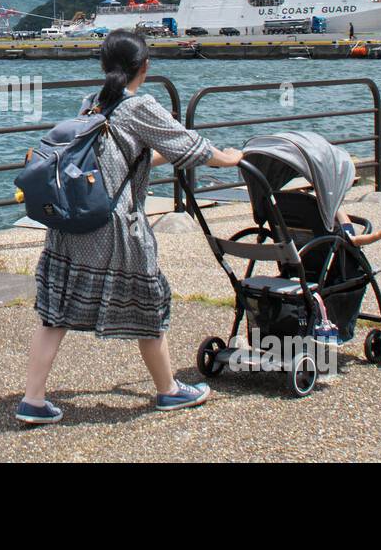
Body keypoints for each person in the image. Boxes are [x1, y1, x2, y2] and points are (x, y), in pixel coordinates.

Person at [16, 30, 243, 425]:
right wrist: (231, 157)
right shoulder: (141, 105)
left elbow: (120, 157)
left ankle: (32, 400)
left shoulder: (92, 103)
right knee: (147, 303)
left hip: (72, 224)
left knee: (55, 314)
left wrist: (160, 155)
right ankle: (169, 391)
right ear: (146, 67)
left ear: (104, 66)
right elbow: (191, 148)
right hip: (115, 227)